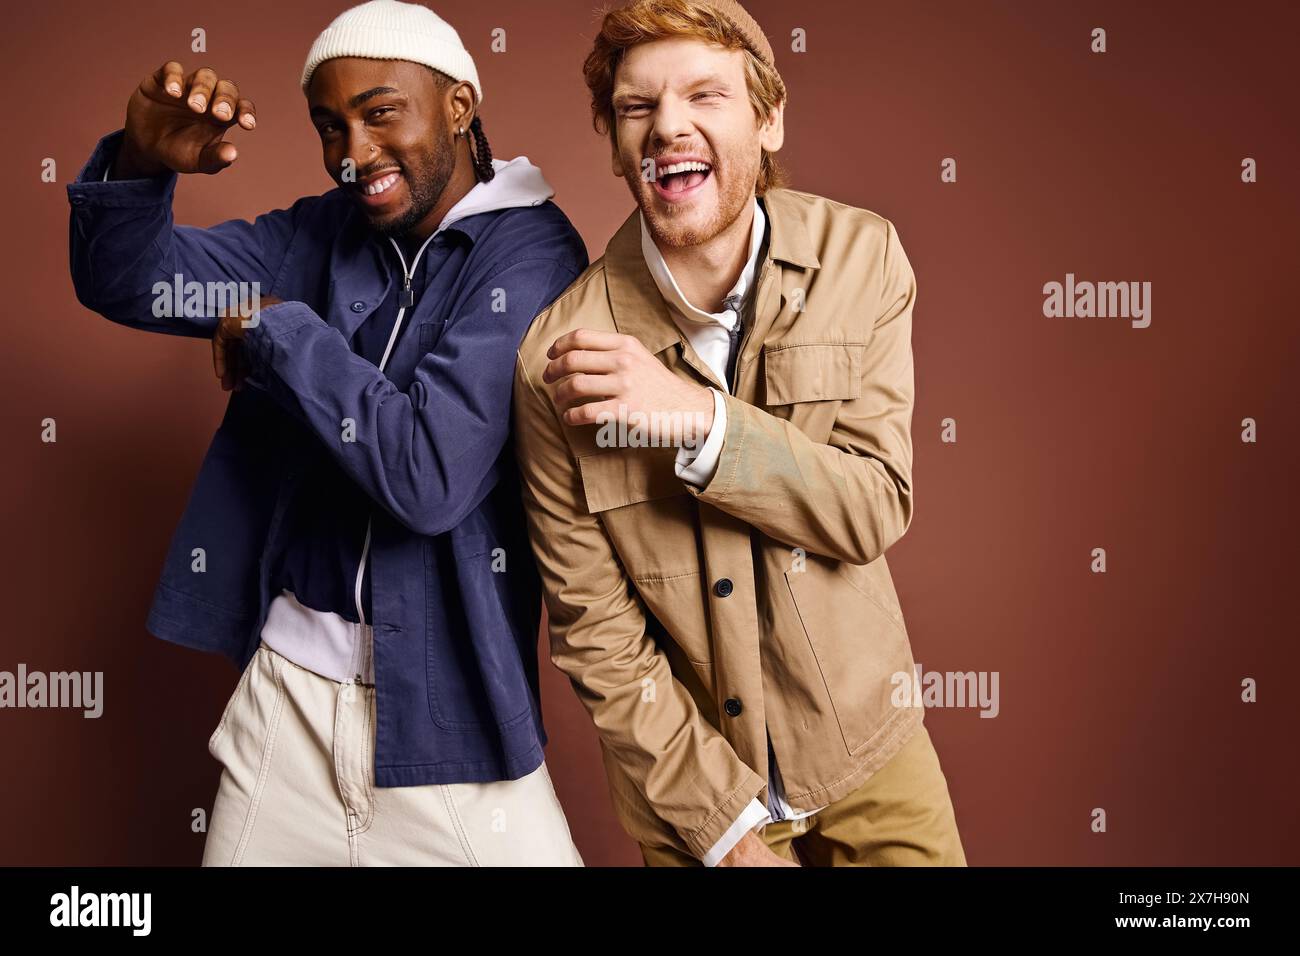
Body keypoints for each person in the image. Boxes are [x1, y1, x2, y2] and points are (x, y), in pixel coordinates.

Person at [66, 0, 587, 866]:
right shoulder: (319, 232)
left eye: (381, 114)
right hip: (288, 706)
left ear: (460, 106)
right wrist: (138, 165)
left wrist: (276, 327)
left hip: (448, 721)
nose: (353, 154)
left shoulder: (530, 255)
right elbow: (136, 286)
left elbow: (427, 474)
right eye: (329, 126)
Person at [511, 0, 966, 866]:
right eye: (637, 108)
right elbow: (595, 636)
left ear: (768, 115)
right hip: (696, 801)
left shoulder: (862, 258)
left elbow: (872, 506)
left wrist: (696, 418)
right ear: (611, 137)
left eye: (704, 96)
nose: (667, 128)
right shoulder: (552, 361)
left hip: (873, 753)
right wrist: (726, 835)